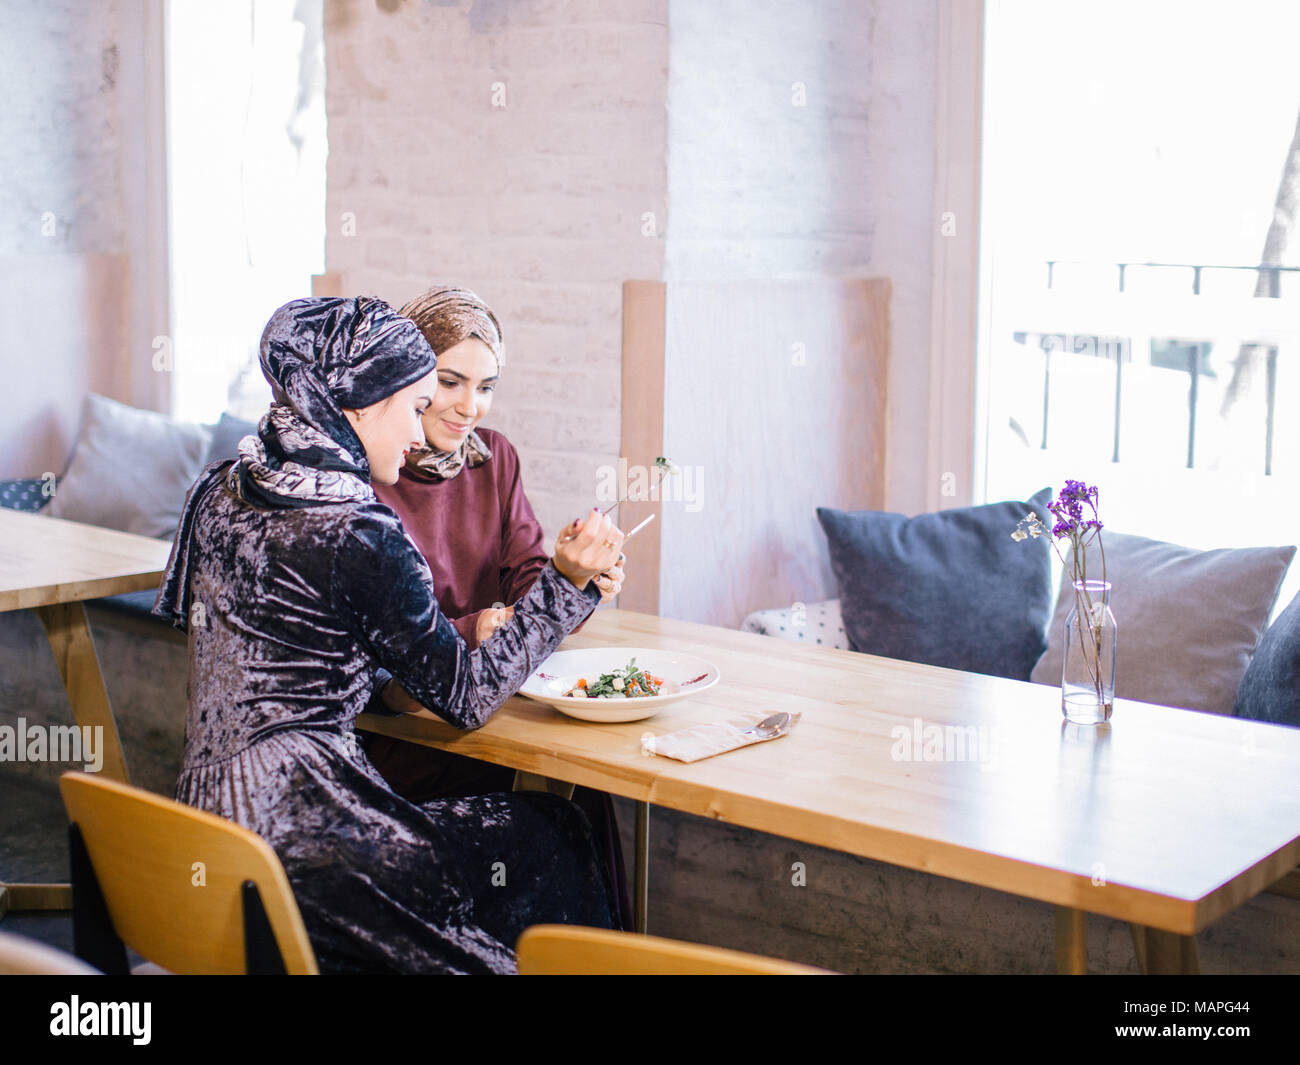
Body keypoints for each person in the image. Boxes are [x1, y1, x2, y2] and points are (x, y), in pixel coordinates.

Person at [152, 295, 626, 974]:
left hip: (207, 823)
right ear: (355, 402)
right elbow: (467, 698)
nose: (422, 425)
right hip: (315, 846)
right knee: (559, 831)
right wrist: (568, 586)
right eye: (415, 402)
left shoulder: (221, 486)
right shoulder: (359, 528)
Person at [359, 285, 635, 929]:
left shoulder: (494, 458)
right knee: (560, 812)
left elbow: (530, 583)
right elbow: (379, 657)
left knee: (586, 791)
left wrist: (577, 577)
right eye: (450, 382)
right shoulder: (366, 479)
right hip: (407, 731)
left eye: (486, 387)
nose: (468, 408)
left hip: (494, 706)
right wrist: (476, 626)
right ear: (407, 374)